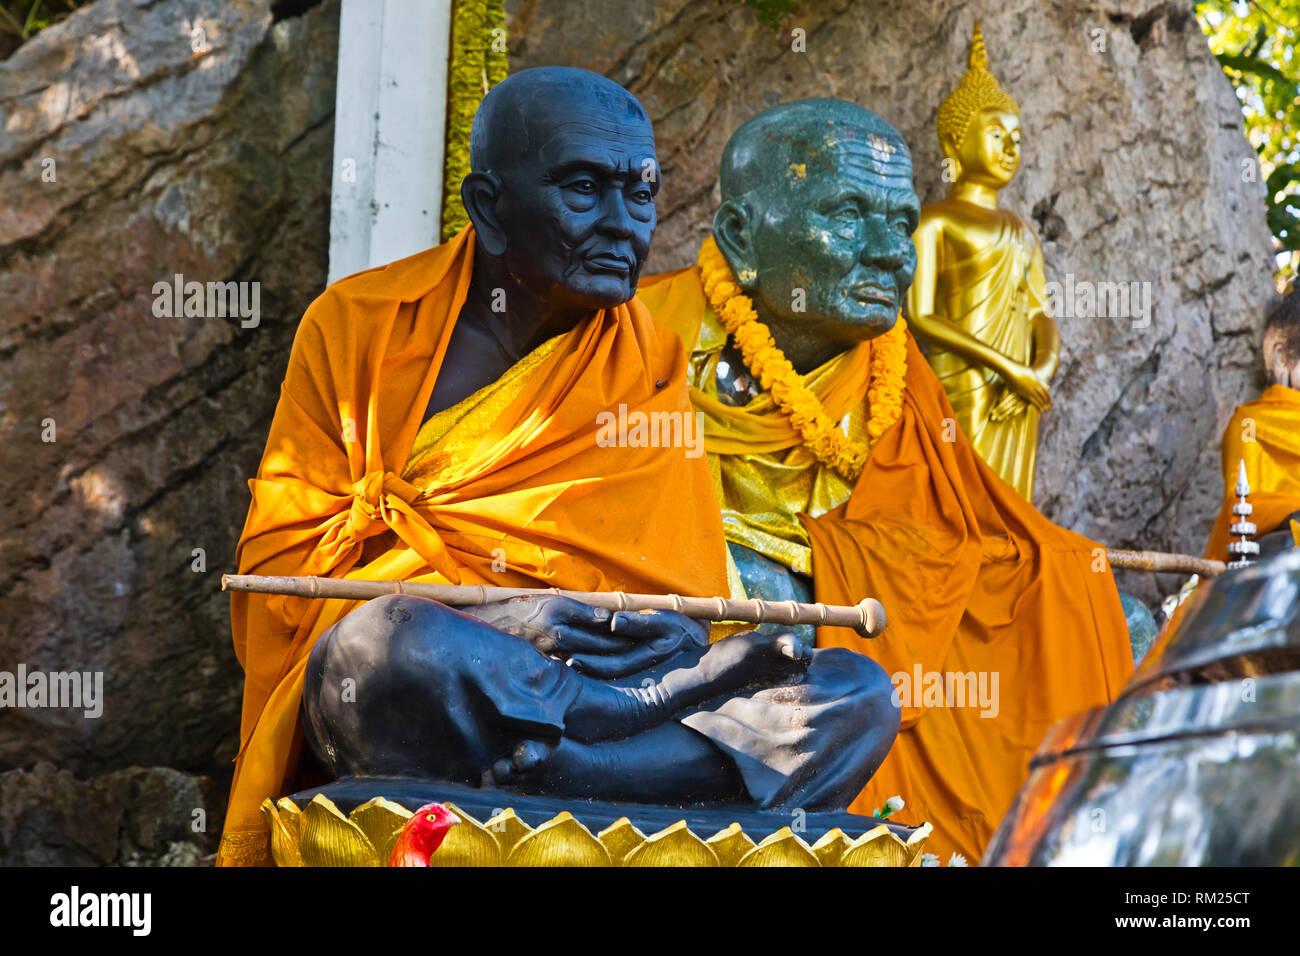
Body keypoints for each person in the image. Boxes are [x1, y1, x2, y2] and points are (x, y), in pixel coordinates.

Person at [218, 69, 897, 867]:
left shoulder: (648, 357)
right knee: (378, 653)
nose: (624, 225)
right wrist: (501, 620)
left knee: (856, 695)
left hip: (617, 691)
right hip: (472, 671)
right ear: (488, 207)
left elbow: (674, 602)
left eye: (641, 194)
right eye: (584, 189)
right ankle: (620, 765)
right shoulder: (362, 326)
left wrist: (670, 660)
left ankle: (580, 771)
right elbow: (277, 577)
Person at [639, 98, 1133, 862]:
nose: (891, 255)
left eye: (902, 222)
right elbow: (596, 516)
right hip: (731, 594)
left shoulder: (897, 375)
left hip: (860, 598)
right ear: (740, 236)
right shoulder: (647, 339)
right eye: (846, 213)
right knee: (767, 616)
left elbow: (958, 527)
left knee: (1097, 600)